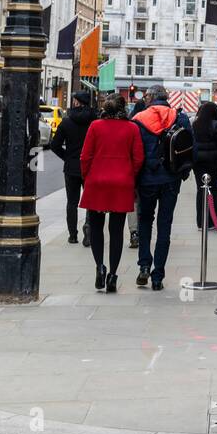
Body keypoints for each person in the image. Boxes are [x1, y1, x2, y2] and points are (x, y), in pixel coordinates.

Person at [78, 94, 144, 293]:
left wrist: (87, 176)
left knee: (96, 227)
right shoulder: (132, 128)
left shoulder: (95, 126)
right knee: (116, 231)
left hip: (97, 181)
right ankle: (113, 274)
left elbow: (85, 156)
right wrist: (129, 175)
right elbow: (138, 158)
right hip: (121, 183)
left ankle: (99, 266)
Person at [132, 85, 193, 290]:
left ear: (150, 98)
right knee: (164, 225)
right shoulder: (180, 117)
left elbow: (136, 152)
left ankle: (144, 266)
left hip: (147, 179)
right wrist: (183, 172)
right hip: (170, 178)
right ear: (166, 98)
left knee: (145, 222)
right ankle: (158, 275)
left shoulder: (139, 119)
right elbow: (189, 147)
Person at [51, 92, 98, 244]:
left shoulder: (66, 122)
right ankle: (89, 229)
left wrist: (67, 157)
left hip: (71, 166)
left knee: (72, 202)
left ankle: (72, 234)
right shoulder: (95, 121)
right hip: (90, 166)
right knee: (90, 200)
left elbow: (54, 145)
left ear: (77, 102)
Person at [192, 100, 217, 229]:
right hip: (215, 163)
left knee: (201, 191)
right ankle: (212, 221)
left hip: (198, 163)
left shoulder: (195, 125)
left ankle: (200, 221)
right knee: (215, 191)